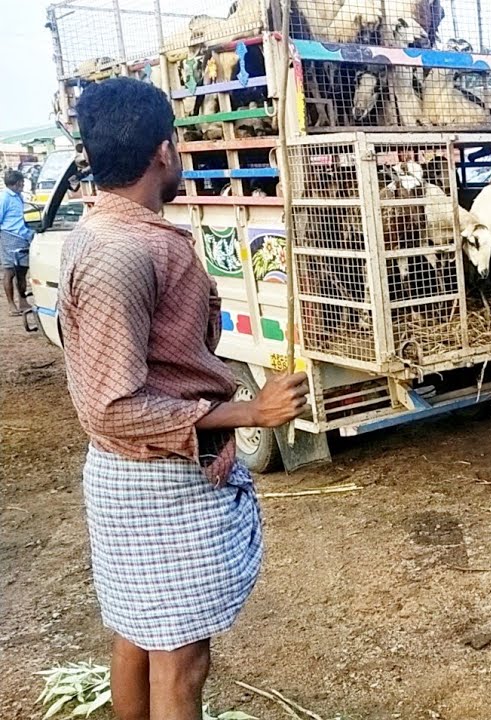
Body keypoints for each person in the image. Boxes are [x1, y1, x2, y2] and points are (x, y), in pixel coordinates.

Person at [59, 77, 308, 720]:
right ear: (164, 152)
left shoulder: (102, 231)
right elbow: (112, 405)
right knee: (181, 665)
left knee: (140, 638)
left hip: (129, 478)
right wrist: (250, 412)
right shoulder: (123, 253)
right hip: (156, 481)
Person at [1, 169, 35, 315]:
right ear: (16, 183)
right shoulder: (4, 198)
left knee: (21, 271)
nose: (23, 184)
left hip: (23, 236)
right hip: (9, 236)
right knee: (9, 271)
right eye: (21, 182)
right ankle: (10, 304)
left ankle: (22, 301)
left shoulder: (18, 196)